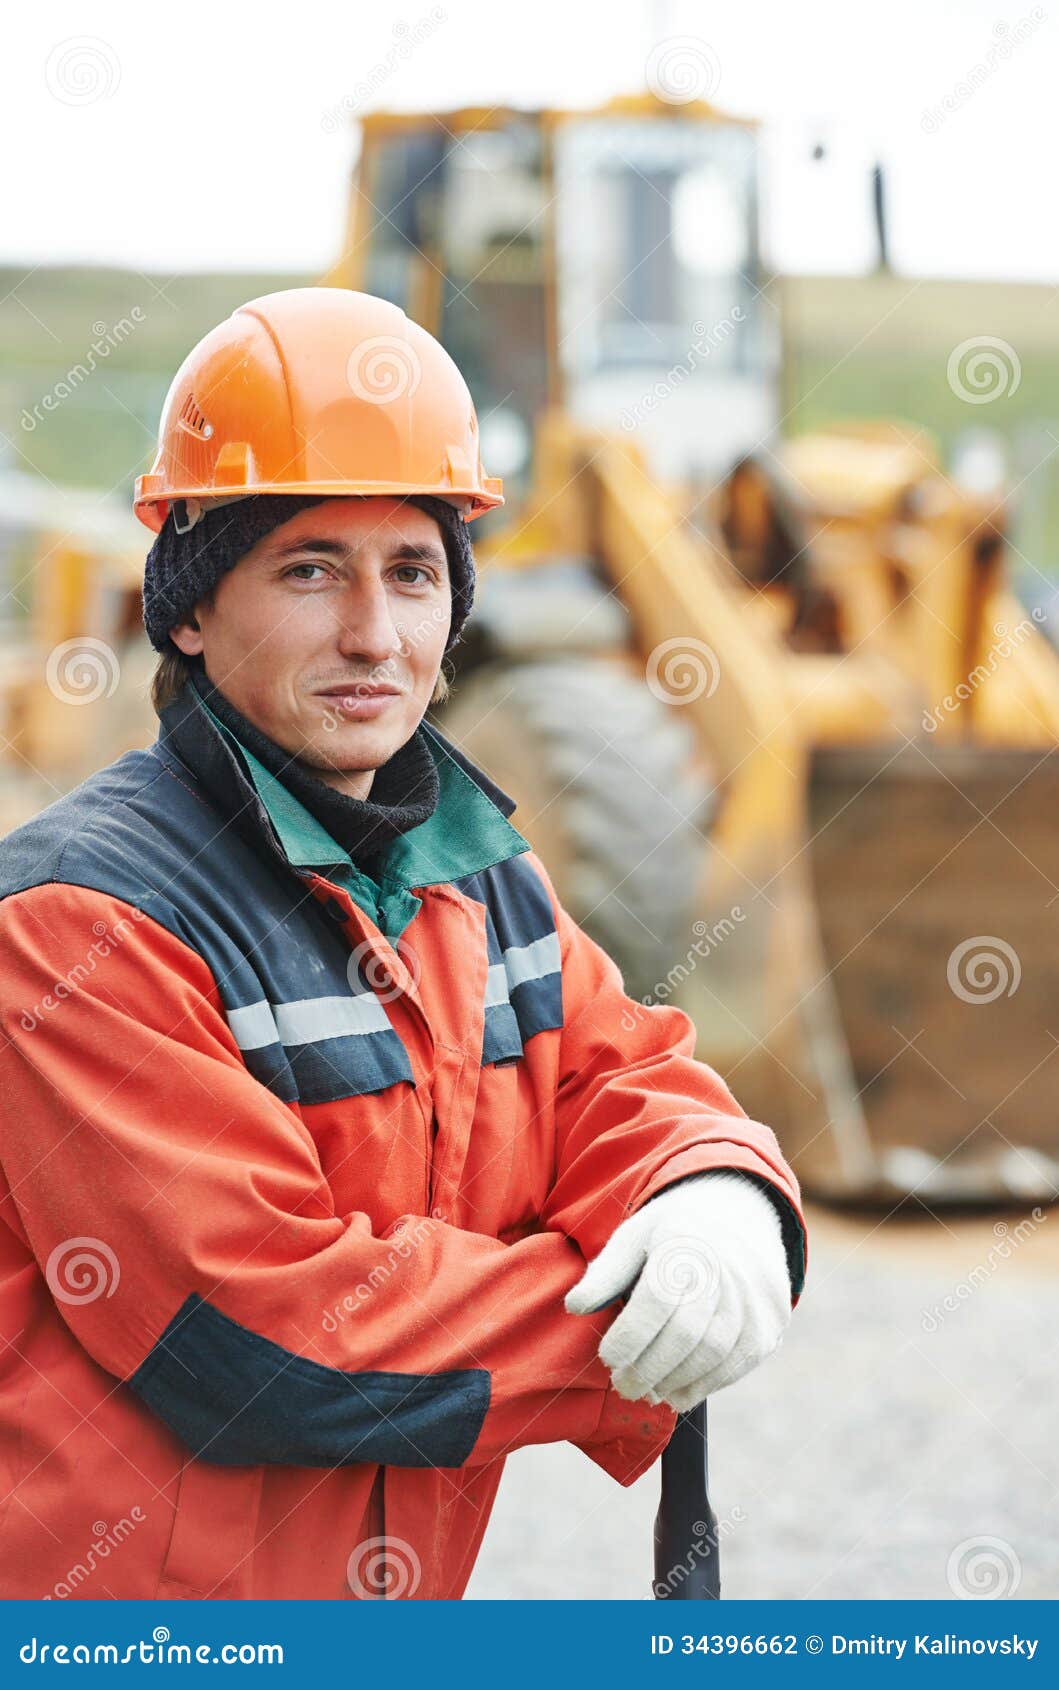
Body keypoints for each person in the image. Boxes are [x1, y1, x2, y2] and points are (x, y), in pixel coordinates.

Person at [0, 288, 807, 1601]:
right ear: (193, 609)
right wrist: (631, 1323)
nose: (375, 632)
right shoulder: (80, 920)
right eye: (312, 568)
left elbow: (615, 1078)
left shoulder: (478, 876)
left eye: (414, 571)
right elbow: (261, 1333)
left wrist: (714, 1190)